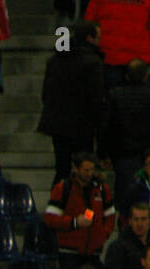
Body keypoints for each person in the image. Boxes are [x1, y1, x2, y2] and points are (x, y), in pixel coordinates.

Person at [37, 19, 106, 184]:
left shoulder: (55, 60)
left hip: (57, 124)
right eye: (98, 38)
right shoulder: (92, 63)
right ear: (90, 38)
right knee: (86, 173)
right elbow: (97, 100)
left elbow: (46, 93)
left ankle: (57, 207)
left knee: (61, 170)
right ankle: (84, 209)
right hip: (83, 126)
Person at [103, 61, 150, 197]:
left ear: (127, 77)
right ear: (146, 76)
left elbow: (106, 127)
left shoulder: (115, 97)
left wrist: (103, 153)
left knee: (126, 199)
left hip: (123, 155)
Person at [44, 151, 116, 269]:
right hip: (69, 253)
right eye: (86, 170)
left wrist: (102, 234)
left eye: (92, 169)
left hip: (94, 253)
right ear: (75, 168)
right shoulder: (63, 188)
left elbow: (110, 216)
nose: (89, 173)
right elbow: (50, 218)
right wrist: (74, 222)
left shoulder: (102, 189)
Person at [85, 0, 150, 89]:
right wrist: (144, 40)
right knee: (140, 99)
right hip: (138, 60)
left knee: (110, 97)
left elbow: (89, 23)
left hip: (109, 57)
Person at [103, 201, 150, 269]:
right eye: (136, 219)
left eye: (143, 219)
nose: (139, 223)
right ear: (130, 221)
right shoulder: (117, 247)